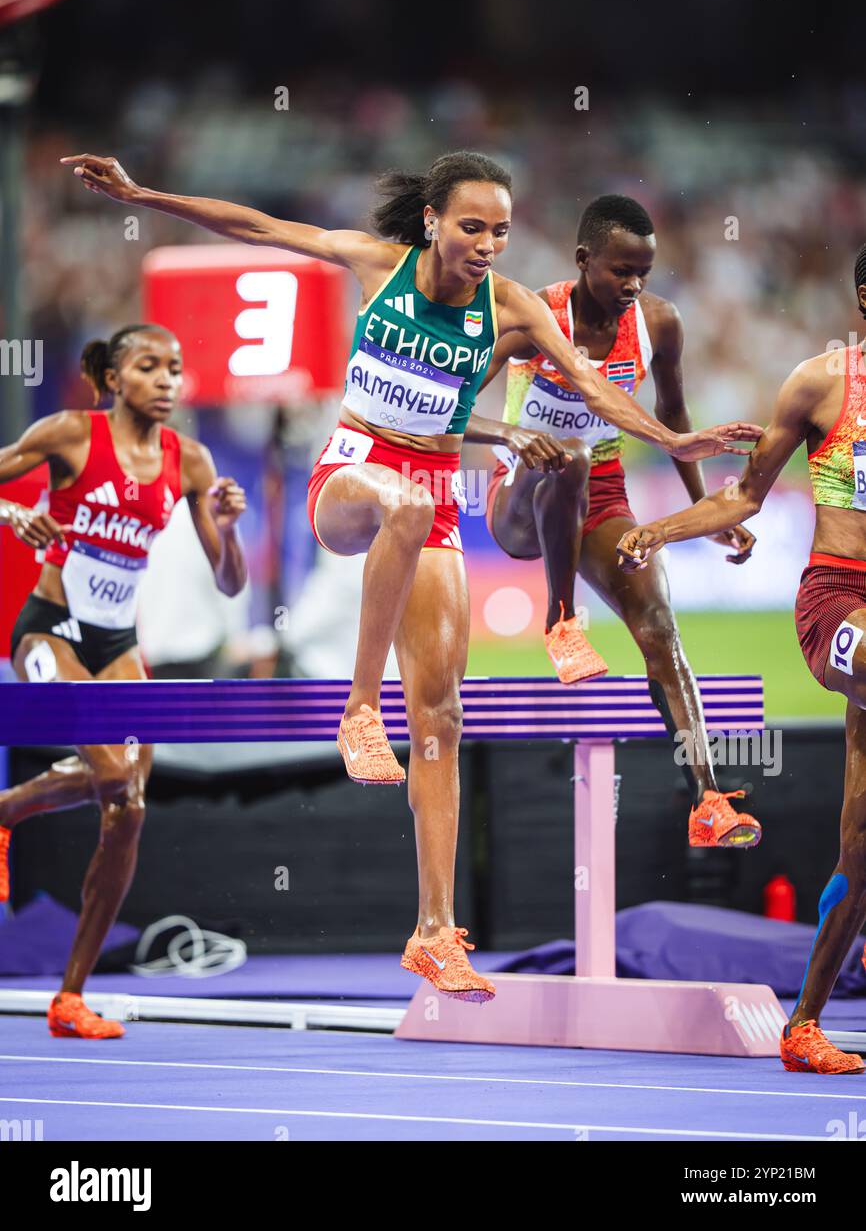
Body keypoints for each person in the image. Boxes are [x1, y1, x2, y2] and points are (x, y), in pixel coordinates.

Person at [61, 148, 758, 1001]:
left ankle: (433, 929)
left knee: (442, 712)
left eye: (500, 230)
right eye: (472, 226)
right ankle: (359, 711)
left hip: (427, 493)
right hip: (351, 474)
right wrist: (142, 195)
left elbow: (586, 382)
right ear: (431, 221)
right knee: (405, 505)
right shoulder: (376, 262)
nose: (488, 244)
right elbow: (253, 225)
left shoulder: (510, 307)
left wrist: (675, 442)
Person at [615, 243, 866, 1074]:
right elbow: (745, 495)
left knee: (859, 853)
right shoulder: (821, 383)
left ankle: (803, 1027)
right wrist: (660, 529)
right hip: (837, 603)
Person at [465, 194, 761, 848]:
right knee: (563, 460)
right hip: (521, 495)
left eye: (642, 273)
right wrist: (512, 435)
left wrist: (706, 511)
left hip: (602, 496)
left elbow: (676, 422)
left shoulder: (659, 323)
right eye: (619, 271)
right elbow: (455, 403)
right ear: (582, 260)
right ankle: (561, 621)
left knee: (660, 627)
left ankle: (708, 801)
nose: (632, 286)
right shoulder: (533, 314)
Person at [0, 324, 247, 1038]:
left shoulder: (190, 461)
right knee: (111, 770)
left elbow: (229, 584)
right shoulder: (70, 433)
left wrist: (228, 531)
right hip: (51, 628)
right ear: (113, 379)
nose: (168, 380)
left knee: (129, 806)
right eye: (149, 367)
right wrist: (15, 511)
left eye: (175, 367)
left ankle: (70, 998)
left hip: (115, 644)